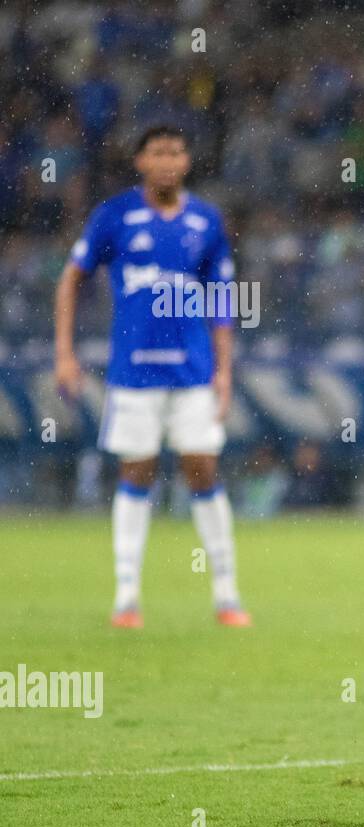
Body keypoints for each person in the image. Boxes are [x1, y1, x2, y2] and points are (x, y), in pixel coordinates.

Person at [53, 125, 250, 629]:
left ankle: (226, 595)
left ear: (187, 160)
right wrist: (64, 353)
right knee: (136, 472)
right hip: (133, 374)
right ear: (140, 160)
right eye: (157, 152)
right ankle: (126, 598)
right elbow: (71, 279)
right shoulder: (114, 216)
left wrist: (226, 372)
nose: (167, 160)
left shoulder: (206, 220)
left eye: (176, 151)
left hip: (193, 374)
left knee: (203, 468)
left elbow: (224, 300)